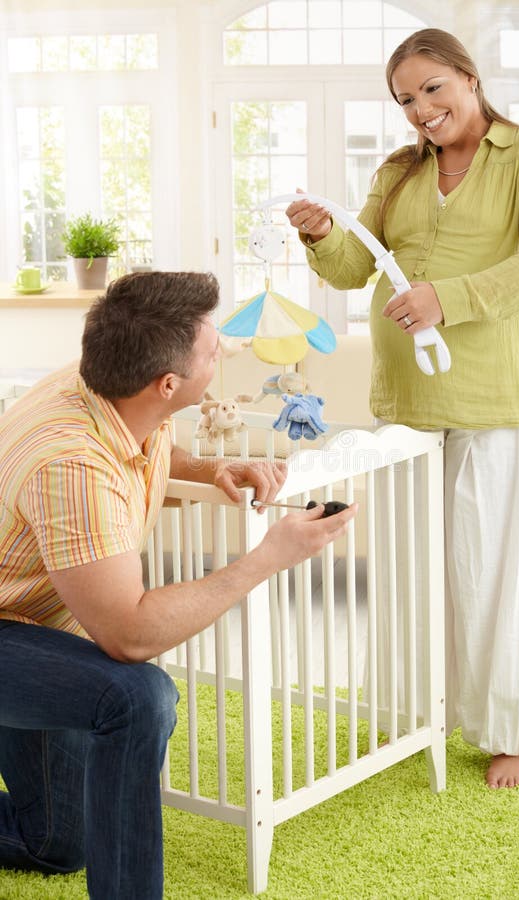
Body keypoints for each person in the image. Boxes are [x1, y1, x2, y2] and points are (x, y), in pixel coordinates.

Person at [0, 270, 356, 898]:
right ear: (170, 383)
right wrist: (267, 557)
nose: (221, 350)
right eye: (211, 349)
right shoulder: (71, 463)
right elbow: (130, 635)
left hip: (33, 620)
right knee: (137, 696)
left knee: (57, 843)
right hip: (12, 628)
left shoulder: (111, 383)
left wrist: (211, 464)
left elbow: (147, 453)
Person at [285, 28, 519, 790]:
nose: (421, 109)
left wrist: (448, 299)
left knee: (496, 571)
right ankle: (426, 713)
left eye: (432, 89)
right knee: (422, 572)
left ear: (468, 78)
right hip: (411, 404)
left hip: (497, 399)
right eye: (406, 99)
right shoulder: (396, 171)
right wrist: (321, 236)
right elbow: (355, 268)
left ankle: (512, 727)